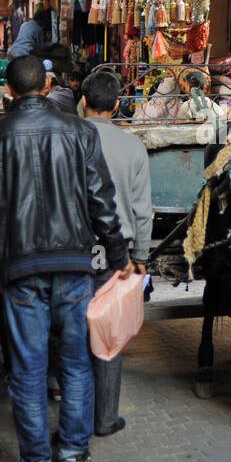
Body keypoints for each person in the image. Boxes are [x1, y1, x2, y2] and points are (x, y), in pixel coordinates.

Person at [0, 56, 131, 462]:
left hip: (19, 269)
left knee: (28, 369)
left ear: (9, 90)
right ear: (47, 87)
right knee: (77, 363)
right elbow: (103, 201)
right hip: (74, 267)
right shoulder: (80, 133)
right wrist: (118, 255)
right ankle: (74, 456)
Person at [82, 72, 153, 437]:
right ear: (117, 106)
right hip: (117, 256)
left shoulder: (70, 141)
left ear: (84, 102)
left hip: (74, 252)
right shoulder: (133, 147)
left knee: (74, 332)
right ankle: (105, 418)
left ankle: (74, 413)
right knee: (108, 336)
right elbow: (143, 210)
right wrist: (140, 255)